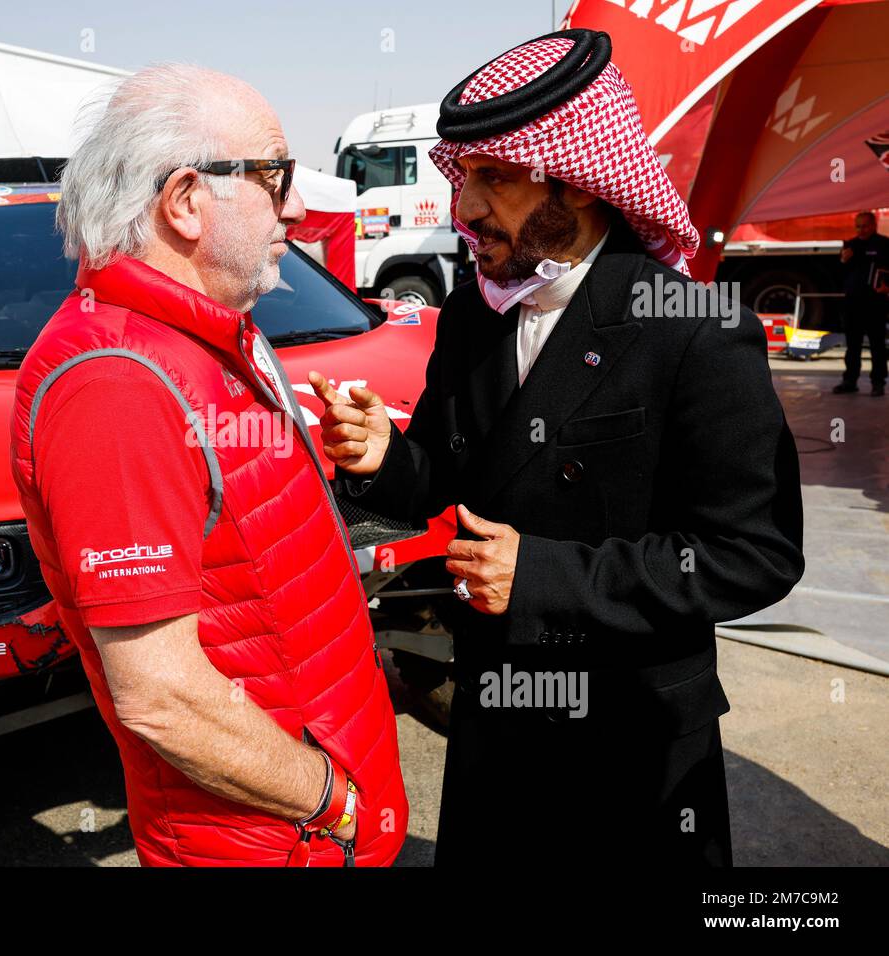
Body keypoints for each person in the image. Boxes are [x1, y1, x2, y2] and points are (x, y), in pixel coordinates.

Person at [313, 29, 804, 867]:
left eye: (494, 180)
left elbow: (752, 554)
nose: (465, 210)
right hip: (496, 721)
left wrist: (541, 577)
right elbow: (440, 477)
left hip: (631, 744)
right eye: (465, 178)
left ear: (576, 184)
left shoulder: (694, 330)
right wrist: (380, 456)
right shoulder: (473, 312)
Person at [9, 65, 408, 867]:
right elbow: (160, 697)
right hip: (269, 841)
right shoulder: (117, 383)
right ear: (186, 200)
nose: (298, 206)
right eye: (274, 176)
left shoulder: (210, 331)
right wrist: (332, 803)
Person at [832, 211, 889, 396]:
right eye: (858, 226)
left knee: (877, 344)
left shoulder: (884, 244)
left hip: (875, 303)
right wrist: (842, 261)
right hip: (853, 303)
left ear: (873, 225)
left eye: (864, 226)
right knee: (853, 345)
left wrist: (887, 287)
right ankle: (850, 381)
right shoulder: (850, 246)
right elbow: (838, 276)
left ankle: (878, 382)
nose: (861, 229)